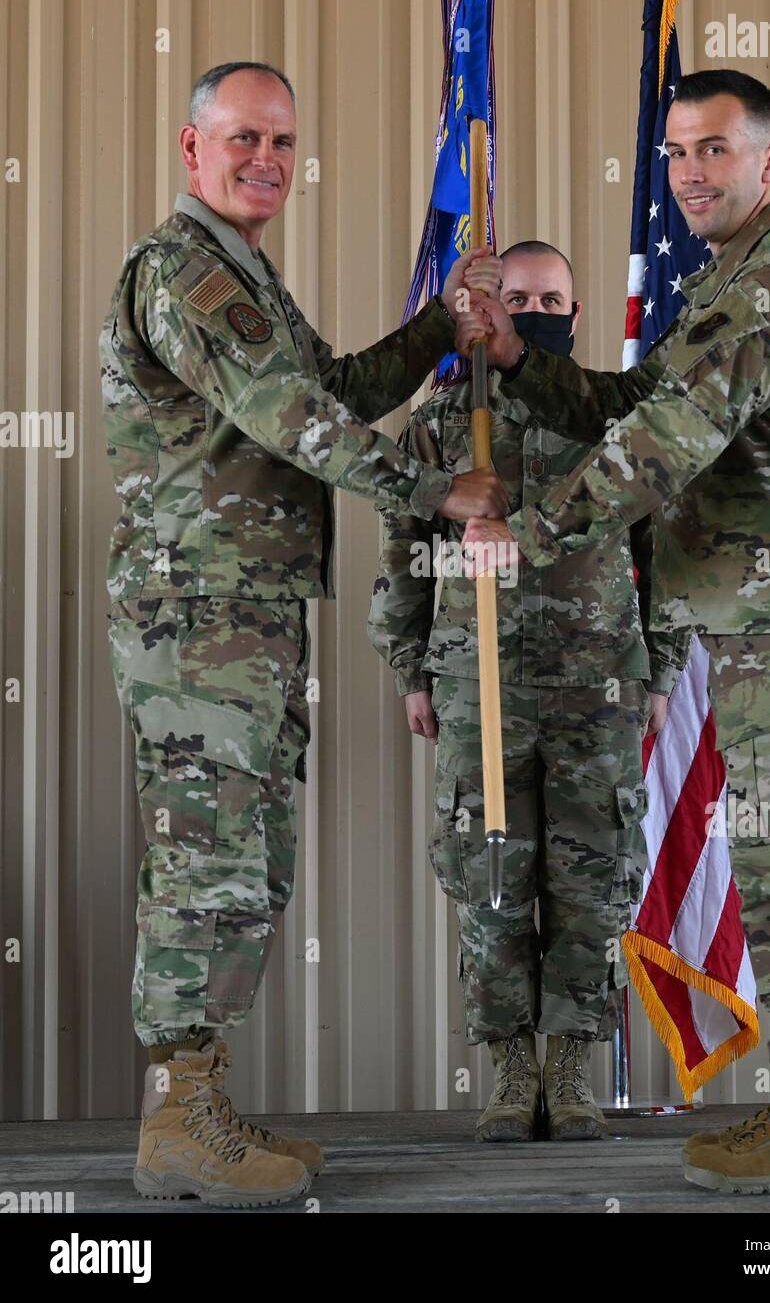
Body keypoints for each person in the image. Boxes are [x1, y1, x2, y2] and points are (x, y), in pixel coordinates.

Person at [455, 70, 770, 1194]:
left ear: (767, 163)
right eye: (677, 153)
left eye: (714, 151)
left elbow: (663, 443)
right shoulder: (722, 284)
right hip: (754, 611)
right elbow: (633, 401)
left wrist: (531, 527)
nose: (690, 173)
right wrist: (517, 368)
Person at [100, 59, 506, 1208]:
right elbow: (293, 418)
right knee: (208, 861)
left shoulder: (248, 275)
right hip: (199, 619)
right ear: (192, 151)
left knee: (248, 860)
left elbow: (324, 381)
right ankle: (177, 1117)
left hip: (247, 617)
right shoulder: (184, 269)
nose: (264, 161)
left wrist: (437, 324)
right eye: (242, 139)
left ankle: (200, 1097)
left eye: (281, 142)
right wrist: (435, 493)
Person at [369, 241, 688, 1142]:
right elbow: (402, 553)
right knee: (492, 877)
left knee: (591, 878)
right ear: (487, 308)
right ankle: (511, 1068)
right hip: (479, 685)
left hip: (599, 687)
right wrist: (411, 670)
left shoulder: (614, 422)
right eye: (517, 296)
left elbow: (666, 559)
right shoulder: (442, 424)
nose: (535, 307)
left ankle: (571, 1064)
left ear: (577, 314)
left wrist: (659, 673)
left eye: (552, 296)